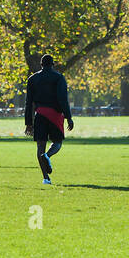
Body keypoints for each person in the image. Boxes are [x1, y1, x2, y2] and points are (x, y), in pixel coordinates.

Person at [24, 55, 74, 185]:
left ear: (41, 64)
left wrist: (28, 123)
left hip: (40, 114)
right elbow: (63, 99)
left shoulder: (33, 79)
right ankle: (48, 156)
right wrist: (69, 117)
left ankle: (46, 178)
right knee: (57, 143)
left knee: (40, 146)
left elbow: (28, 103)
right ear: (53, 64)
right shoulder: (59, 78)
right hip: (55, 115)